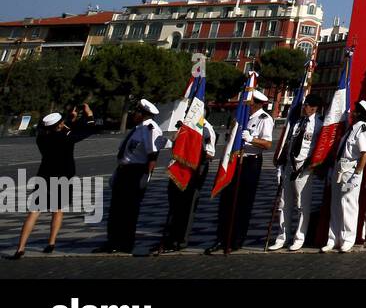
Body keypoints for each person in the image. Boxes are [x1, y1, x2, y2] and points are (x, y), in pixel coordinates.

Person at [10, 104, 96, 259]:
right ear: (60, 125)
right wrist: (89, 115)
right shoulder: (66, 137)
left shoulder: (41, 138)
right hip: (63, 177)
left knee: (34, 212)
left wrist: (70, 118)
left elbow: (61, 129)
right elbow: (87, 130)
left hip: (44, 176)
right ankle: (51, 243)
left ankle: (21, 247)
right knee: (57, 210)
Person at [206, 89, 274, 253]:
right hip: (234, 161)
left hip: (250, 162)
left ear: (256, 104)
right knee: (226, 200)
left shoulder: (265, 119)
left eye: (249, 103)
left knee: (243, 202)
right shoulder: (241, 117)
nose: (246, 105)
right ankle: (221, 237)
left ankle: (236, 239)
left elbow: (267, 144)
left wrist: (251, 139)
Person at [95, 99, 166, 254]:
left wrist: (146, 178)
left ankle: (125, 243)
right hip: (124, 172)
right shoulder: (138, 128)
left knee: (128, 211)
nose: (134, 114)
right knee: (116, 210)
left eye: (137, 112)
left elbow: (152, 156)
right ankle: (112, 241)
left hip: (135, 173)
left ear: (143, 114)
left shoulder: (150, 129)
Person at [153, 111, 217, 254]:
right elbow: (175, 144)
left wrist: (192, 151)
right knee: (174, 206)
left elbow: (210, 153)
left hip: (193, 171)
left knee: (187, 207)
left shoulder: (206, 129)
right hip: (178, 169)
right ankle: (168, 239)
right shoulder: (186, 126)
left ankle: (180, 241)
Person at [267, 92, 324, 251]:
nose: (304, 107)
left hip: (303, 168)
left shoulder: (319, 124)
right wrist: (281, 164)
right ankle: (282, 237)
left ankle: (299, 237)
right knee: (284, 203)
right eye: (304, 105)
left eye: (307, 105)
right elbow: (289, 143)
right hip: (289, 166)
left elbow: (318, 149)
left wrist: (309, 166)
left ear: (314, 108)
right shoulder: (298, 122)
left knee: (301, 204)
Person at [324, 101, 366, 252]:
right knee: (335, 204)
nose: (352, 113)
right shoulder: (351, 129)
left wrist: (357, 174)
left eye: (355, 111)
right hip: (340, 169)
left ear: (360, 113)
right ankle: (333, 239)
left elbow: (364, 154)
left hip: (351, 172)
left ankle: (347, 238)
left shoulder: (364, 129)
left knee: (348, 204)